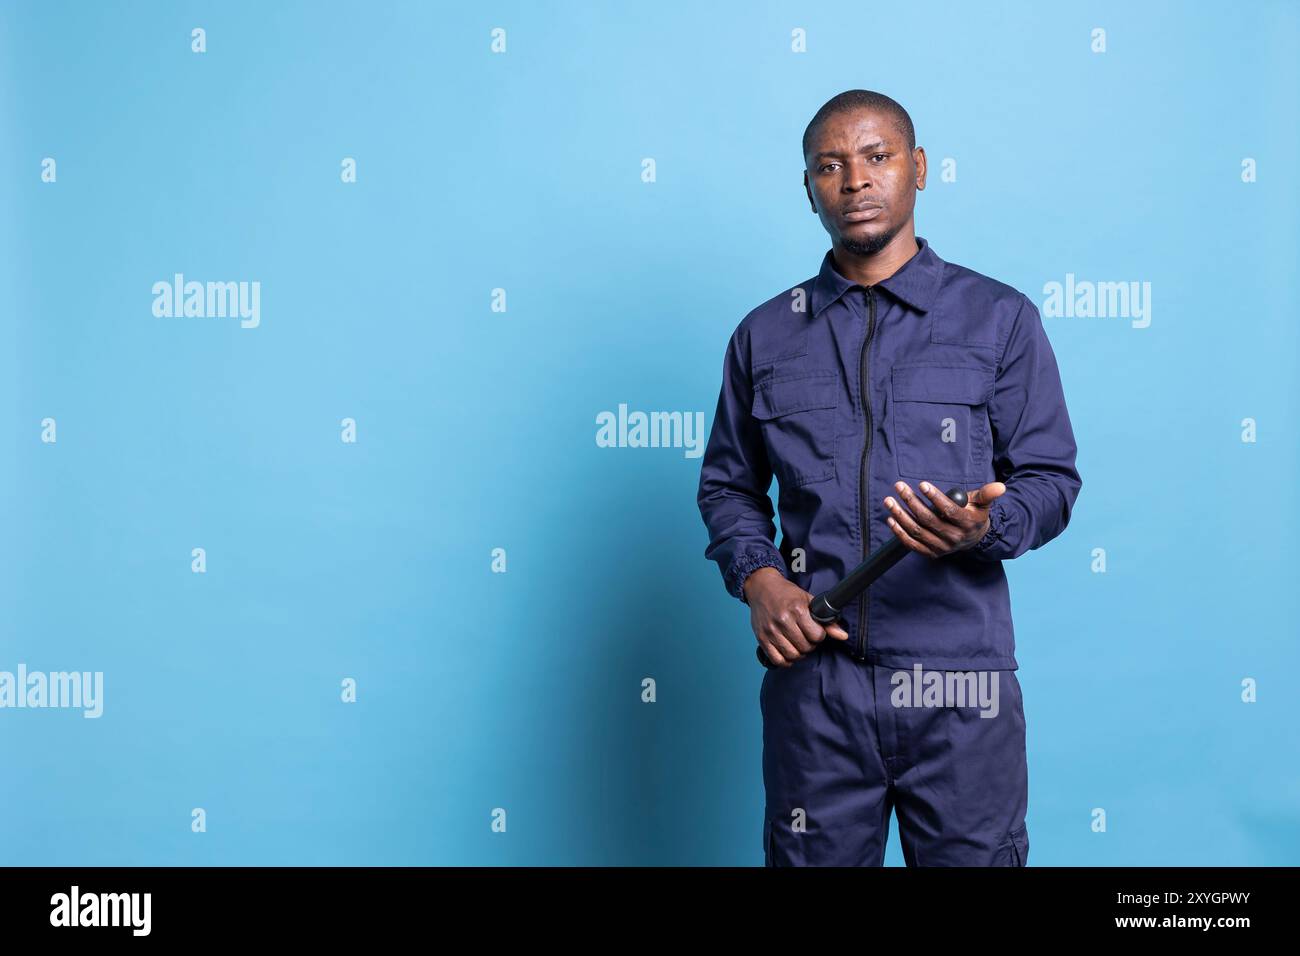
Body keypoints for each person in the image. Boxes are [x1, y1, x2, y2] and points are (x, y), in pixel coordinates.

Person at [696, 89, 1082, 866]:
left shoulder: (999, 319)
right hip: (817, 690)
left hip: (960, 688)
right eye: (830, 165)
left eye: (877, 157)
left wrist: (985, 529)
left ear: (920, 170)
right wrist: (762, 583)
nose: (855, 181)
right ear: (809, 189)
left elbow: (1049, 479)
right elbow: (729, 488)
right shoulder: (766, 333)